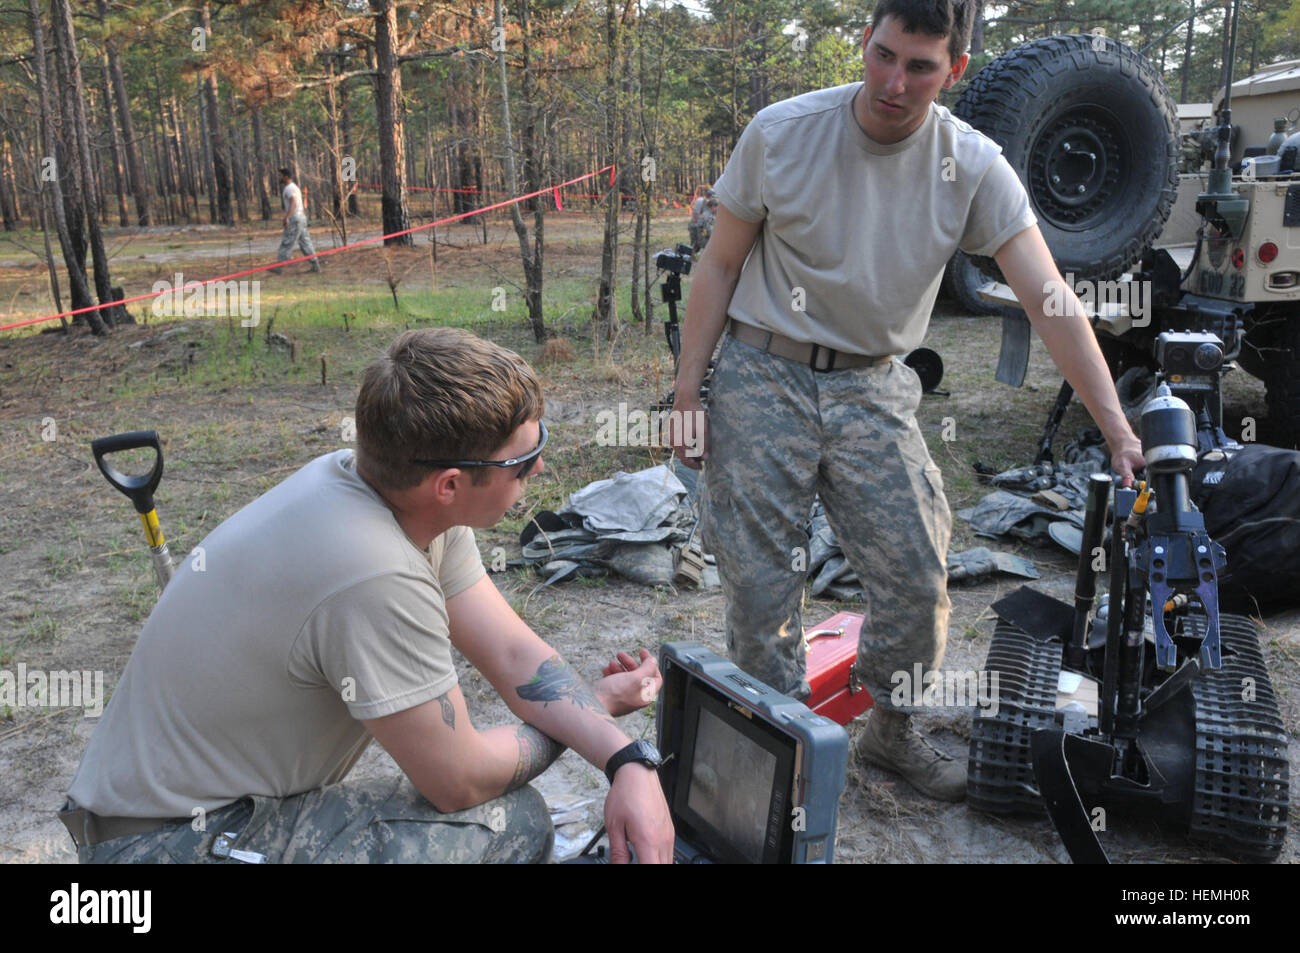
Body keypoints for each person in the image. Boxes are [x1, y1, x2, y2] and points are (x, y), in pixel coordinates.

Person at [669, 0, 1144, 802]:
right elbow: (717, 267)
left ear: (953, 70)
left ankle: (890, 731)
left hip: (873, 382)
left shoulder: (973, 163)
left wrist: (1118, 426)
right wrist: (688, 393)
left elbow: (1050, 298)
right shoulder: (783, 132)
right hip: (762, 370)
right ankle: (783, 760)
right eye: (883, 55)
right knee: (760, 592)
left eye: (919, 67)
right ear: (866, 40)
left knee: (919, 578)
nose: (893, 83)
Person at [60, 328, 675, 864]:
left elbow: (517, 657)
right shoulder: (372, 573)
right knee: (505, 827)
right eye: (525, 460)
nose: (539, 471)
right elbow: (456, 780)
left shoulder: (389, 492)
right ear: (452, 484)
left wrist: (624, 758)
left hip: (182, 816)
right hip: (160, 847)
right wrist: (591, 717)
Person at [274, 167, 321, 273]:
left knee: (287, 241)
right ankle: (315, 265)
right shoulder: (293, 187)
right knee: (305, 242)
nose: (278, 178)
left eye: (280, 176)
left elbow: (294, 202)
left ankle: (279, 267)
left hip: (295, 218)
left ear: (286, 177)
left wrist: (287, 217)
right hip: (301, 217)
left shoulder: (290, 188)